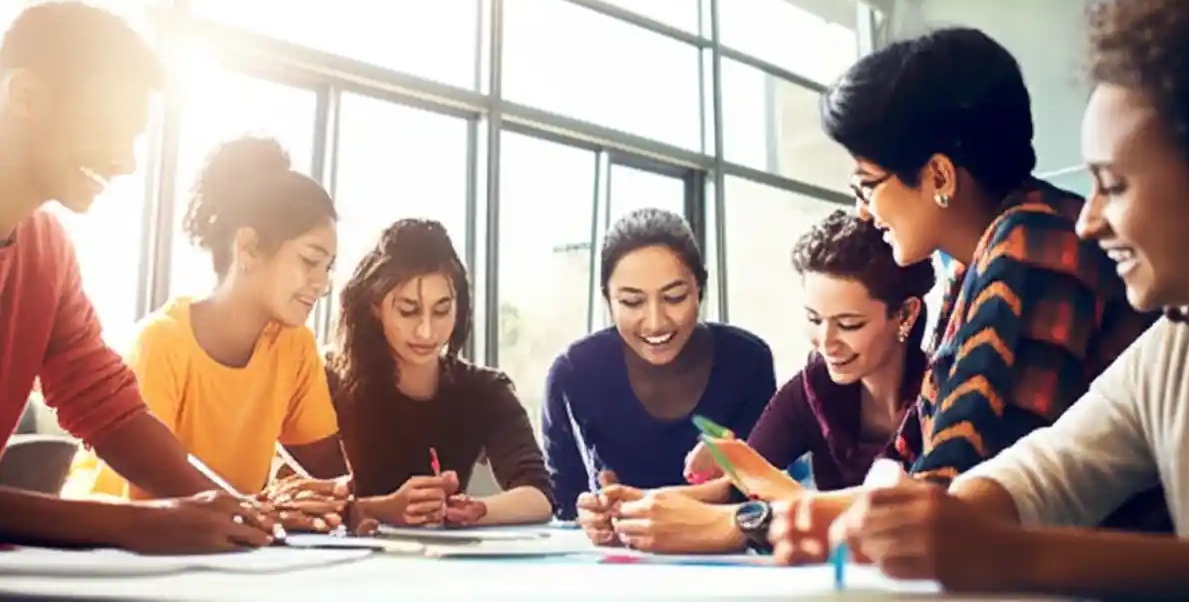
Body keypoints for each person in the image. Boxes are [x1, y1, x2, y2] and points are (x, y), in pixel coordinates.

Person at [828, 0, 1189, 599]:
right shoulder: (1183, 344)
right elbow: (1041, 473)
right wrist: (949, 520)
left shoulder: (1030, 244)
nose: (1089, 221)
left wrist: (1007, 551)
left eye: (1113, 186)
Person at [770, 26, 1159, 563]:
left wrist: (747, 522)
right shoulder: (977, 267)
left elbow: (946, 496)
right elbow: (906, 469)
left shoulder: (1030, 246)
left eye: (867, 184)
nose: (863, 210)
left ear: (938, 175)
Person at [0, 1, 273, 552]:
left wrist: (240, 518)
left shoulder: (47, 251)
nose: (125, 162)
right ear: (26, 97)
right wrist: (137, 525)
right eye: (107, 128)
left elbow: (106, 405)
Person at [580, 210, 935, 554]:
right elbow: (739, 488)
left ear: (905, 314)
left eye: (849, 324)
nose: (826, 343)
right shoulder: (813, 388)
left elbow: (916, 513)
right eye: (814, 319)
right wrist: (637, 505)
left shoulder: (944, 396)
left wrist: (741, 496)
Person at [63, 136, 348, 522]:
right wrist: (262, 511)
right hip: (109, 548)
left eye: (328, 267)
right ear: (247, 248)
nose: (323, 282)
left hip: (218, 543)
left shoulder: (294, 346)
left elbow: (331, 476)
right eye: (311, 260)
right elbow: (154, 498)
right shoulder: (162, 343)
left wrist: (383, 504)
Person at [544, 208, 776, 520]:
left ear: (700, 290)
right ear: (608, 300)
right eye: (632, 302)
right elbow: (565, 502)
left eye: (675, 297)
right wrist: (590, 515)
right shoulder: (573, 374)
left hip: (728, 552)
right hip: (614, 558)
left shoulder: (747, 362)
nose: (655, 323)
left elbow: (767, 490)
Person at [328, 219, 553, 527]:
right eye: (408, 310)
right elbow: (300, 500)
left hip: (443, 566)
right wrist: (384, 509)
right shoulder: (329, 384)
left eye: (441, 310)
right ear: (374, 307)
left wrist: (477, 510)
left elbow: (538, 495)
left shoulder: (484, 390)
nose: (426, 331)